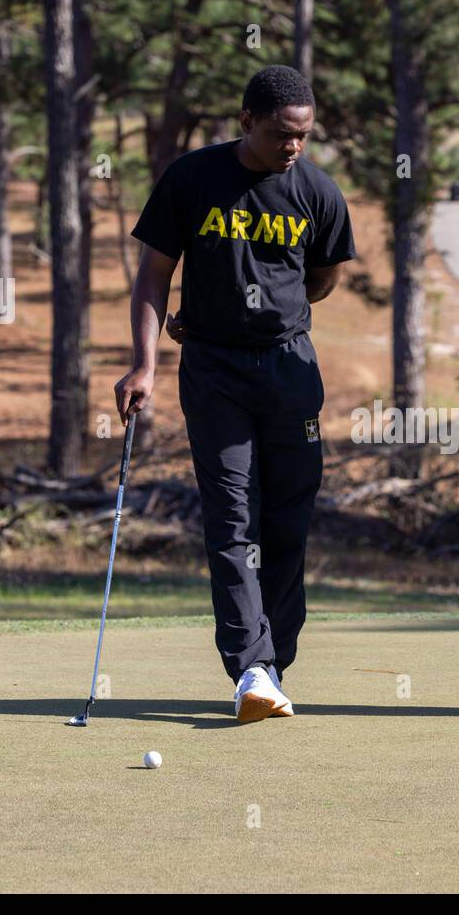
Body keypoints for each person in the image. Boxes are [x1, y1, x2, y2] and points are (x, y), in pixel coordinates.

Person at [114, 65, 356, 723]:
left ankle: (274, 659)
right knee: (231, 519)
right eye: (282, 133)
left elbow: (324, 276)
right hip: (214, 372)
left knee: (288, 522)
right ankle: (251, 667)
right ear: (245, 120)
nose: (293, 146)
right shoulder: (192, 179)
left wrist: (270, 314)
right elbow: (153, 275)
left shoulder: (318, 191)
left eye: (304, 135)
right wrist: (144, 365)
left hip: (290, 372)